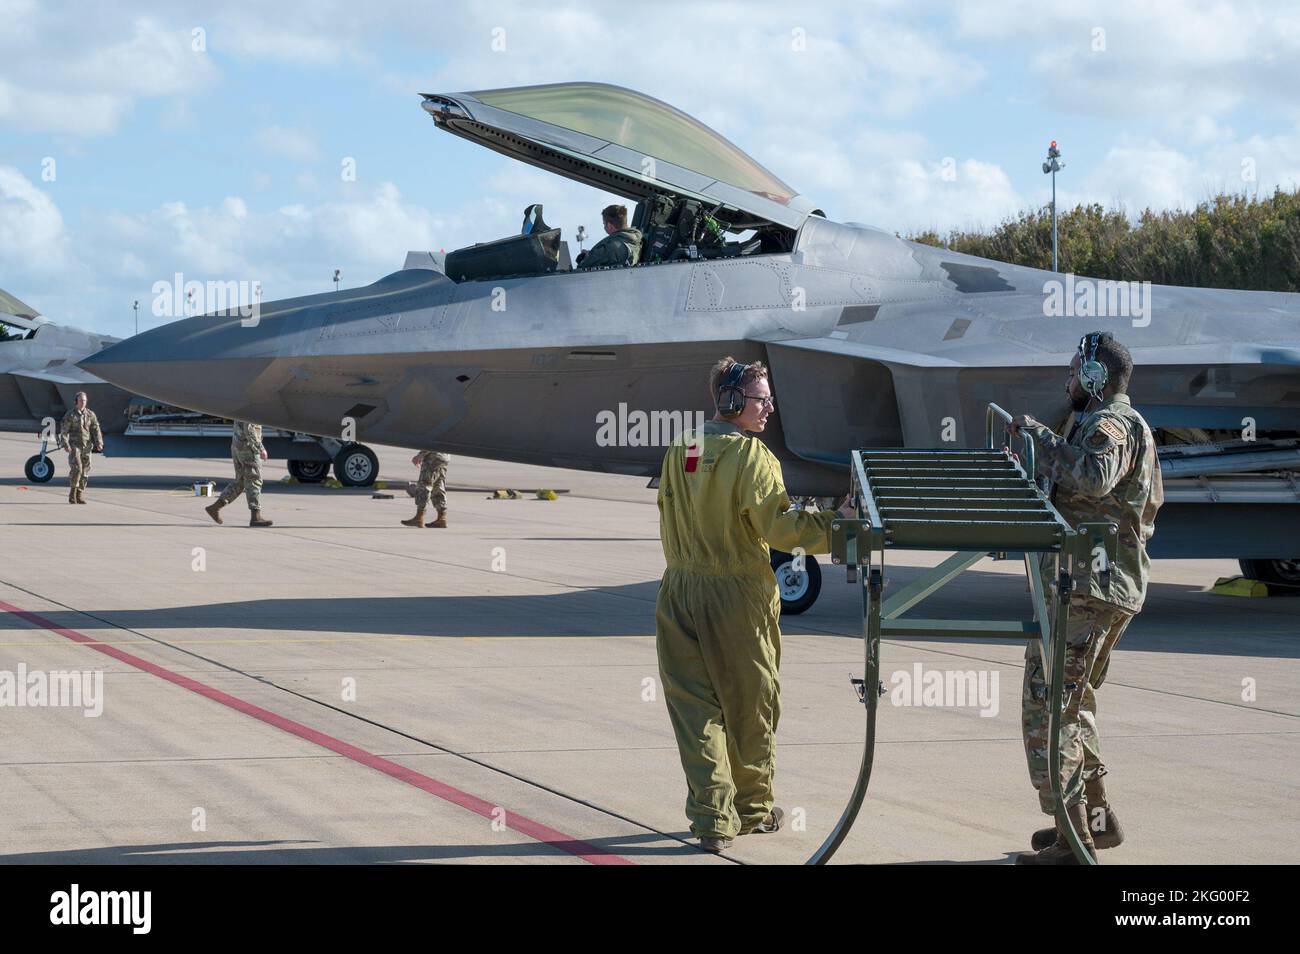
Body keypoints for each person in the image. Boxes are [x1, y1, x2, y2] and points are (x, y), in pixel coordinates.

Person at [656, 356, 852, 853]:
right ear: (732, 401)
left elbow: (684, 504)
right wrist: (840, 523)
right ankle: (753, 810)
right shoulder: (754, 458)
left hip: (679, 590)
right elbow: (782, 529)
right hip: (737, 593)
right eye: (763, 400)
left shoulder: (687, 446)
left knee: (695, 709)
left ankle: (710, 818)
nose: (769, 410)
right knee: (751, 706)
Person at [1007, 332, 1163, 864]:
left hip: (1091, 587)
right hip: (1095, 584)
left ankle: (1075, 843)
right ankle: (1094, 823)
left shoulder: (1111, 423)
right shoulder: (1104, 422)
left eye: (1075, 371)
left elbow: (1095, 477)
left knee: (1047, 703)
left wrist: (1041, 442)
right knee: (1073, 704)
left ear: (1097, 377)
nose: (1067, 380)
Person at [204, 420, 273, 527]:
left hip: (239, 445)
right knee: (254, 480)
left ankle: (215, 507)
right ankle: (255, 517)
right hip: (248, 449)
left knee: (240, 481)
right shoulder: (253, 405)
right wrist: (260, 448)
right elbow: (249, 428)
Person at [58, 391, 103, 504]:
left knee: (85, 470)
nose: (83, 402)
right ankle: (72, 494)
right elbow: (64, 431)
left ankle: (80, 494)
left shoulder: (90, 414)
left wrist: (99, 442)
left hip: (87, 446)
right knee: (77, 469)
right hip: (74, 446)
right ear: (76, 401)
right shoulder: (70, 415)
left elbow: (95, 429)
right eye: (81, 400)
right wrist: (65, 444)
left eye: (84, 400)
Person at [575, 204, 642, 269]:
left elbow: (584, 266)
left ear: (609, 225)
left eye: (604, 224)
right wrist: (590, 254)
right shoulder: (634, 241)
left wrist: (588, 257)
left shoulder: (612, 247)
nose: (604, 227)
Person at [402, 450, 449, 528]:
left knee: (424, 486)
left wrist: (421, 455)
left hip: (433, 457)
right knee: (438, 487)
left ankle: (419, 517)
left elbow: (432, 442)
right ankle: (441, 518)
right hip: (444, 456)